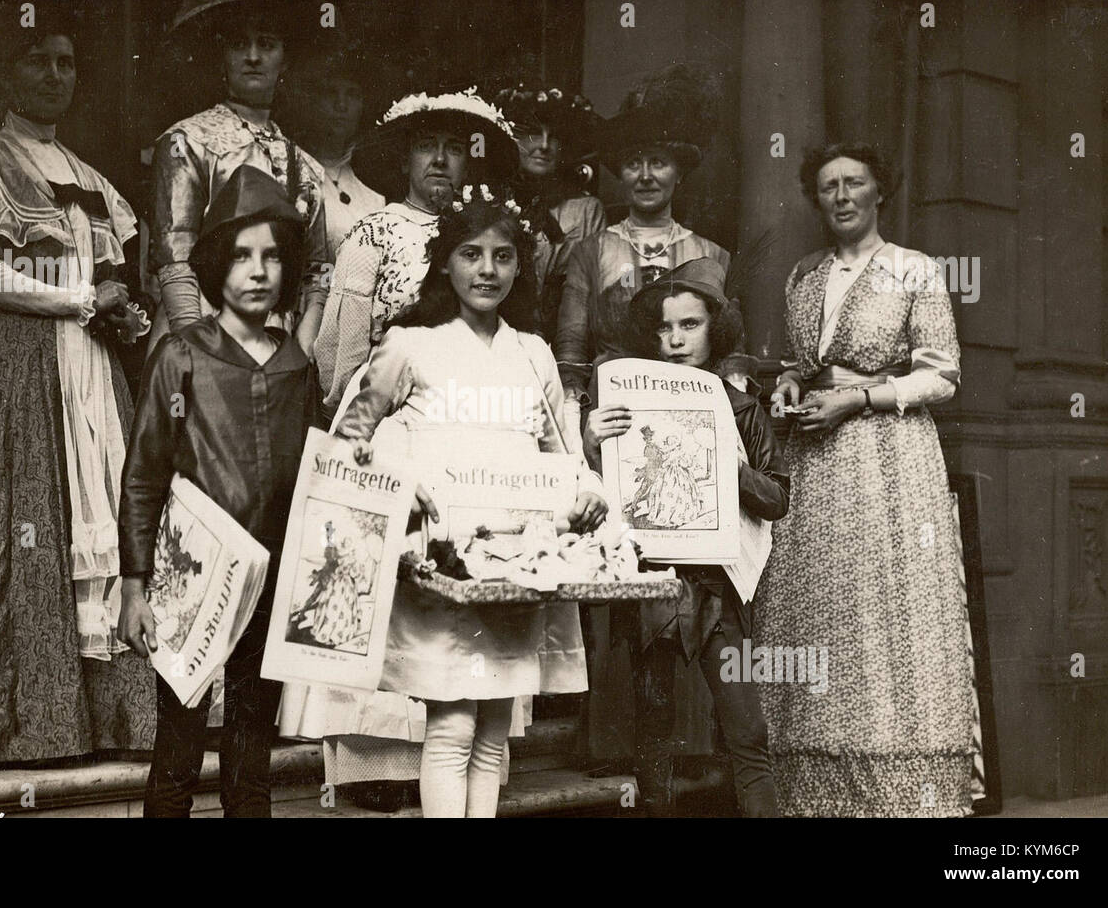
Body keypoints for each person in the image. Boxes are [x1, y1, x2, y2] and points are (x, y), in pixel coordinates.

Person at [0, 13, 155, 766]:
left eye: (66, 63)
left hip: (89, 368)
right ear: (5, 74)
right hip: (19, 365)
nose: (56, 75)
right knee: (22, 521)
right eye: (39, 62)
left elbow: (113, 279)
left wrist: (125, 312)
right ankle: (21, 724)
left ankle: (107, 718)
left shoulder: (91, 180)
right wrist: (83, 301)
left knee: (105, 509)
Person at [334, 186, 606, 817]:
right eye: (471, 254)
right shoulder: (411, 343)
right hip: (444, 562)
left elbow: (563, 453)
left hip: (515, 564)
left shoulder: (531, 352)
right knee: (452, 724)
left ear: (520, 266)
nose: (488, 270)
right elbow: (349, 442)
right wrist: (399, 483)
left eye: (504, 256)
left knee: (492, 733)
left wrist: (587, 495)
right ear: (445, 263)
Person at [756, 142, 974, 817]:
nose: (842, 196)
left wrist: (860, 399)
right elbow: (798, 362)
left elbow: (943, 373)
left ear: (881, 191)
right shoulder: (803, 274)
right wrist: (790, 386)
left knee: (885, 610)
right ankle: (814, 793)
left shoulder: (914, 271)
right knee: (818, 605)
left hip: (889, 459)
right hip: (814, 463)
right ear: (816, 199)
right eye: (828, 187)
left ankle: (900, 793)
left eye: (855, 183)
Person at [118, 165, 320, 817]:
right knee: (177, 750)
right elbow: (145, 474)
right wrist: (134, 585)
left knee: (250, 755)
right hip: (193, 582)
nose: (257, 272)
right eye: (239, 256)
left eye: (270, 257)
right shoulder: (181, 356)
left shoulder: (298, 366)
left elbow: (313, 478)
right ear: (214, 266)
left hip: (269, 585)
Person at [555, 63, 728, 775]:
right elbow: (568, 353)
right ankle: (609, 745)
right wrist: (578, 433)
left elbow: (730, 355)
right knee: (616, 585)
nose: (647, 173)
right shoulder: (592, 251)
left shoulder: (712, 254)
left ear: (678, 172)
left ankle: (673, 758)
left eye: (659, 161)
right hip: (613, 432)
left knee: (684, 589)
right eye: (634, 162)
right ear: (618, 174)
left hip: (682, 444)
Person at [582, 257, 785, 817]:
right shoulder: (626, 403)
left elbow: (776, 498)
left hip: (717, 586)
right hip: (651, 585)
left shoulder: (742, 407)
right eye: (664, 328)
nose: (675, 340)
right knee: (653, 732)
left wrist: (723, 460)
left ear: (713, 330)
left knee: (747, 728)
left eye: (689, 325)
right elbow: (596, 492)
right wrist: (592, 441)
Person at [313, 87, 519, 417]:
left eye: (454, 149)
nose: (439, 159)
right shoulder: (374, 234)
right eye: (426, 147)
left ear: (467, 166)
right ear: (405, 162)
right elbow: (341, 358)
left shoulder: (488, 240)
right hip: (391, 415)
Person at [148, 0, 328, 354]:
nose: (253, 56)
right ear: (222, 60)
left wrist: (303, 344)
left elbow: (316, 268)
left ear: (284, 61)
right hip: (203, 324)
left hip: (279, 340)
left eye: (266, 44)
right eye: (238, 45)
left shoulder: (306, 164)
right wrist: (196, 347)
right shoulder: (188, 141)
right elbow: (176, 255)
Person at [491, 83, 605, 338]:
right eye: (532, 134)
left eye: (553, 137)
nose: (543, 145)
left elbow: (592, 290)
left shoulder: (585, 210)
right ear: (513, 139)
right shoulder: (493, 201)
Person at [274, 40, 386, 261]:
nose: (341, 105)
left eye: (352, 94)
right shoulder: (290, 169)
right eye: (331, 93)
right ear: (312, 101)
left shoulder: (374, 191)